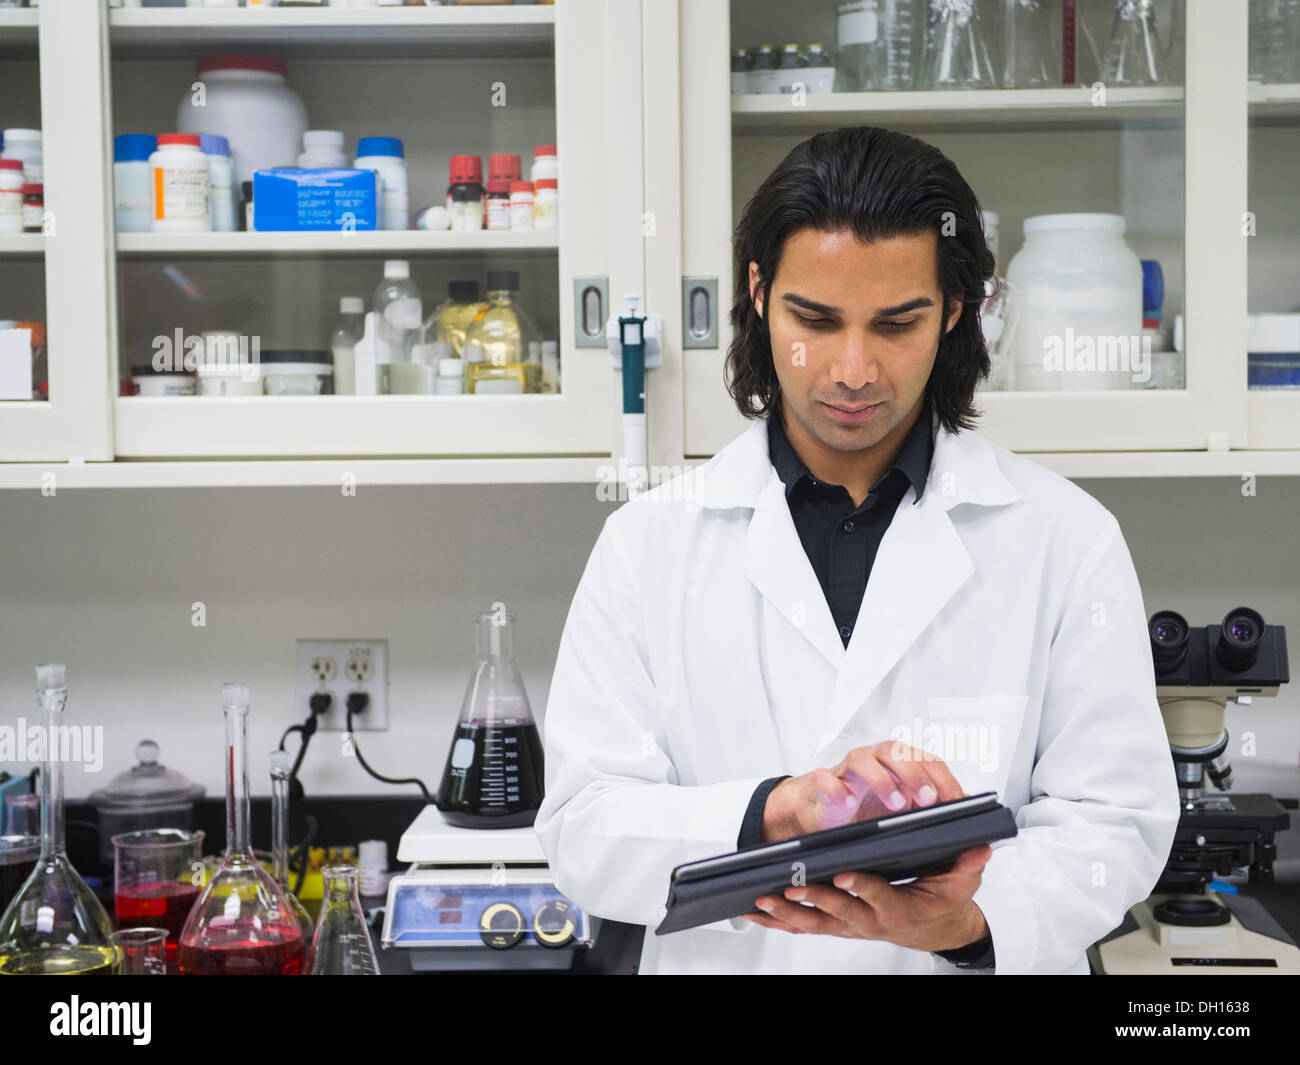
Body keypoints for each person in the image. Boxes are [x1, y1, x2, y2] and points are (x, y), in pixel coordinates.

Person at [535, 126, 1179, 975]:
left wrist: (964, 923)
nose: (851, 369)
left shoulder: (1064, 538)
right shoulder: (648, 545)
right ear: (759, 292)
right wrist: (778, 811)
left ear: (954, 311)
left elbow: (1116, 821)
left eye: (896, 323)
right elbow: (584, 825)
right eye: (816, 318)